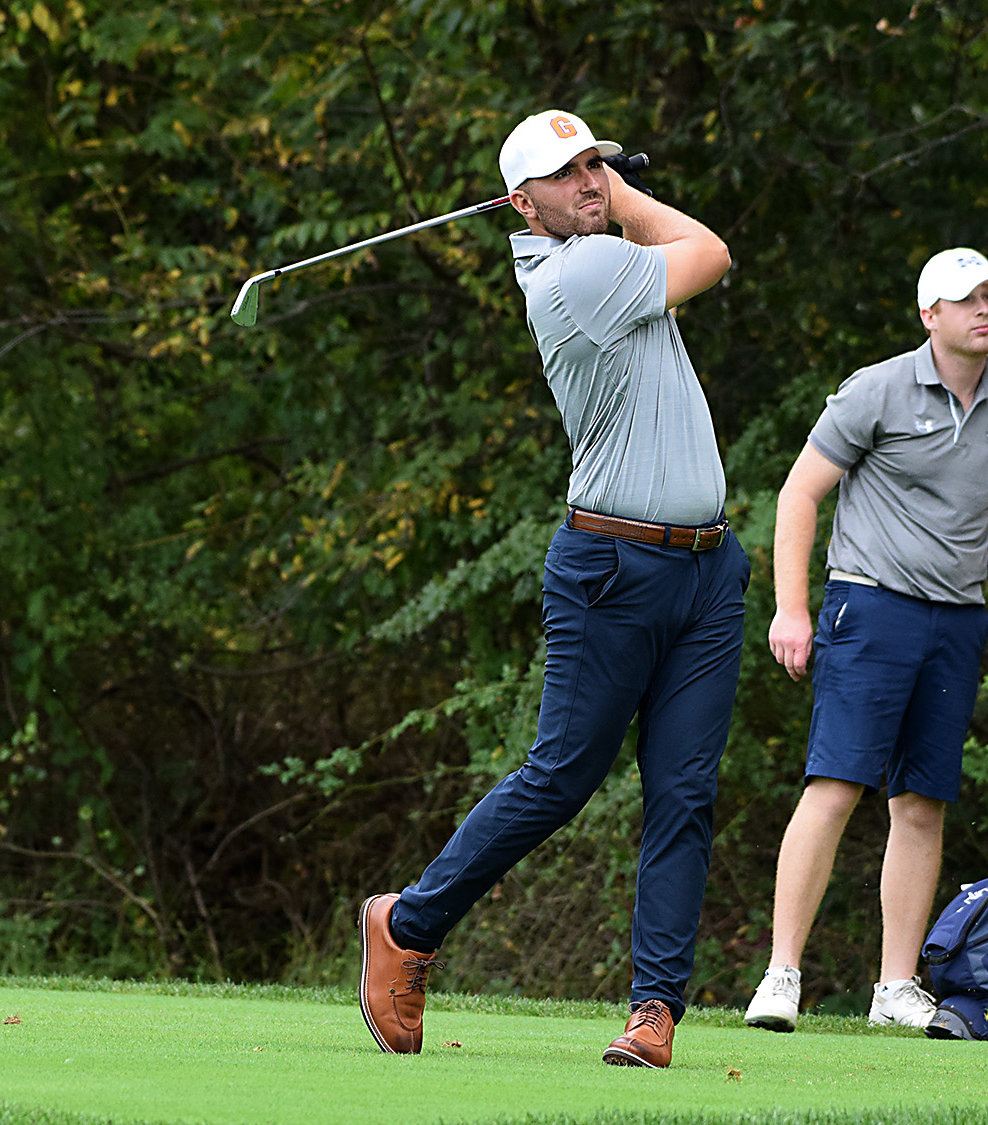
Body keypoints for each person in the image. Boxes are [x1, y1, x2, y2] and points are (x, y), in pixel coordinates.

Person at [357, 109, 746, 1070]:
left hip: (708, 569)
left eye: (596, 166)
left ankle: (654, 1011)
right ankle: (408, 922)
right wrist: (624, 195)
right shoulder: (579, 273)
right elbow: (712, 251)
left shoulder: (599, 258)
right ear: (523, 204)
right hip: (612, 568)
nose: (592, 183)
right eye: (569, 174)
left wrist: (605, 189)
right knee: (565, 772)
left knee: (685, 793)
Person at [742, 248, 988, 1032]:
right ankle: (781, 975)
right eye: (966, 300)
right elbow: (800, 492)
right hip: (870, 606)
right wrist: (792, 609)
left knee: (922, 804)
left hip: (957, 620)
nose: (984, 309)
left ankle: (894, 988)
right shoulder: (877, 390)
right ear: (930, 315)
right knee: (835, 784)